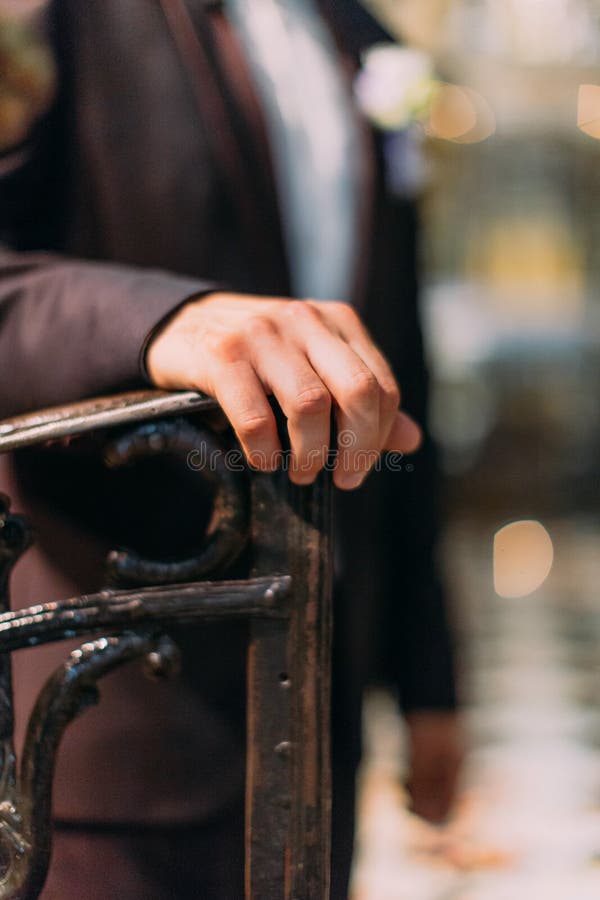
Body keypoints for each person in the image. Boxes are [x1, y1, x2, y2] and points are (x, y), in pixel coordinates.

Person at [0, 2, 461, 896]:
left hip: (317, 724)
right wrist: (162, 320)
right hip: (110, 727)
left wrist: (428, 680)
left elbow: (402, 381)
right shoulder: (54, 19)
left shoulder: (365, 39)